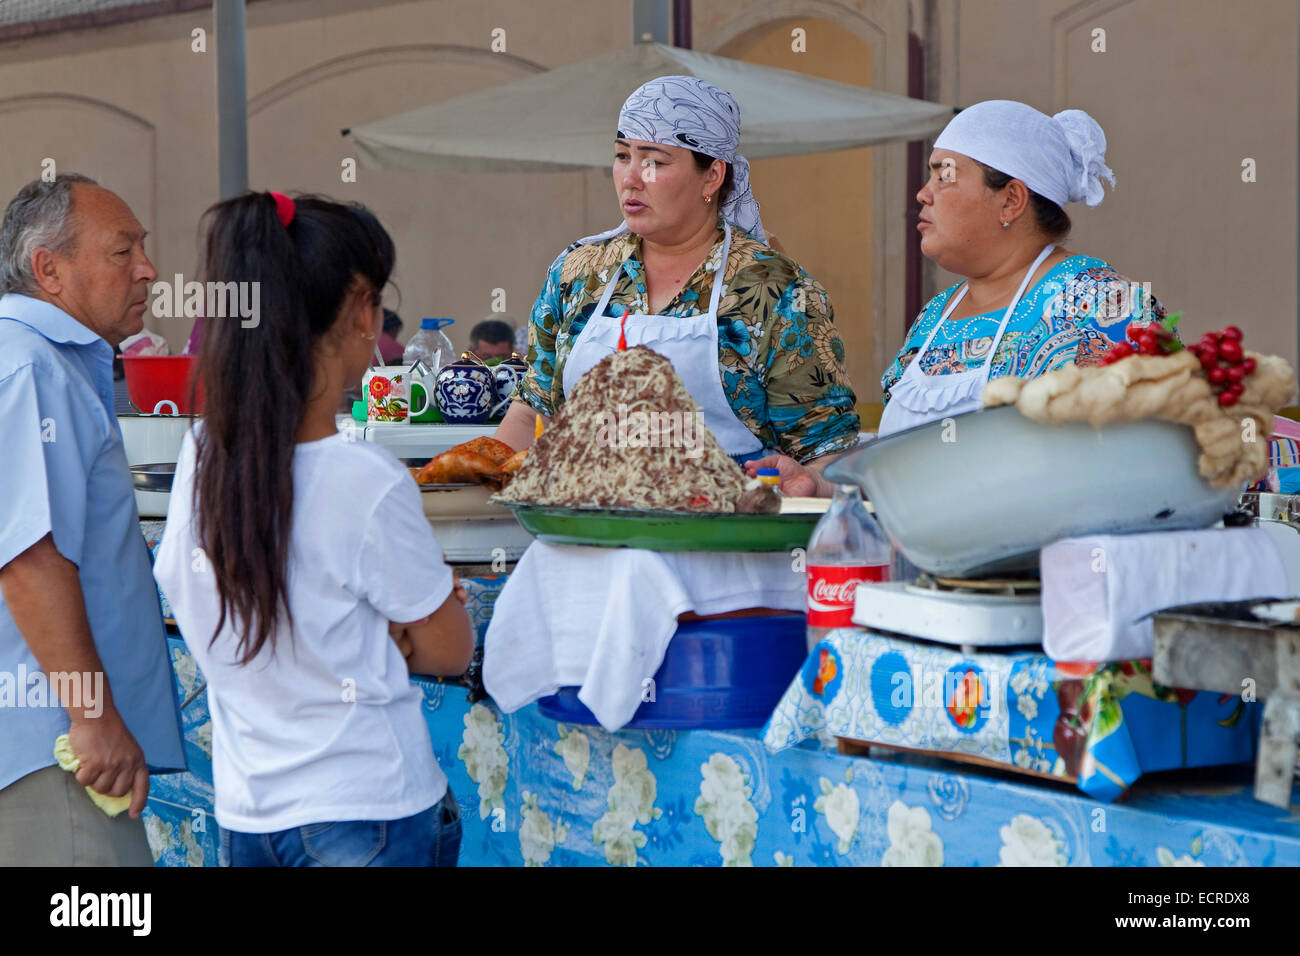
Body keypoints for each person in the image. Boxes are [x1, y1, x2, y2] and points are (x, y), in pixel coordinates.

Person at [153, 191, 474, 867]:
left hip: (249, 815)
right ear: (362, 309)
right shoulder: (367, 478)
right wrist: (388, 636)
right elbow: (450, 650)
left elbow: (196, 603)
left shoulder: (200, 453)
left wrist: (360, 635)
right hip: (368, 809)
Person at [495, 75, 860, 485]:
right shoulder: (578, 275)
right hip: (580, 533)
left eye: (654, 161)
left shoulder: (775, 292)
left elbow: (830, 456)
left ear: (712, 176)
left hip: (719, 538)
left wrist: (810, 482)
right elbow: (530, 414)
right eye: (621, 156)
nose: (631, 178)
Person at [0, 173, 185, 865]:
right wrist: (92, 716)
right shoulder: (30, 368)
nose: (148, 269)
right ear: (48, 268)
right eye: (122, 251)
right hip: (52, 750)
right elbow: (26, 557)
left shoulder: (34, 362)